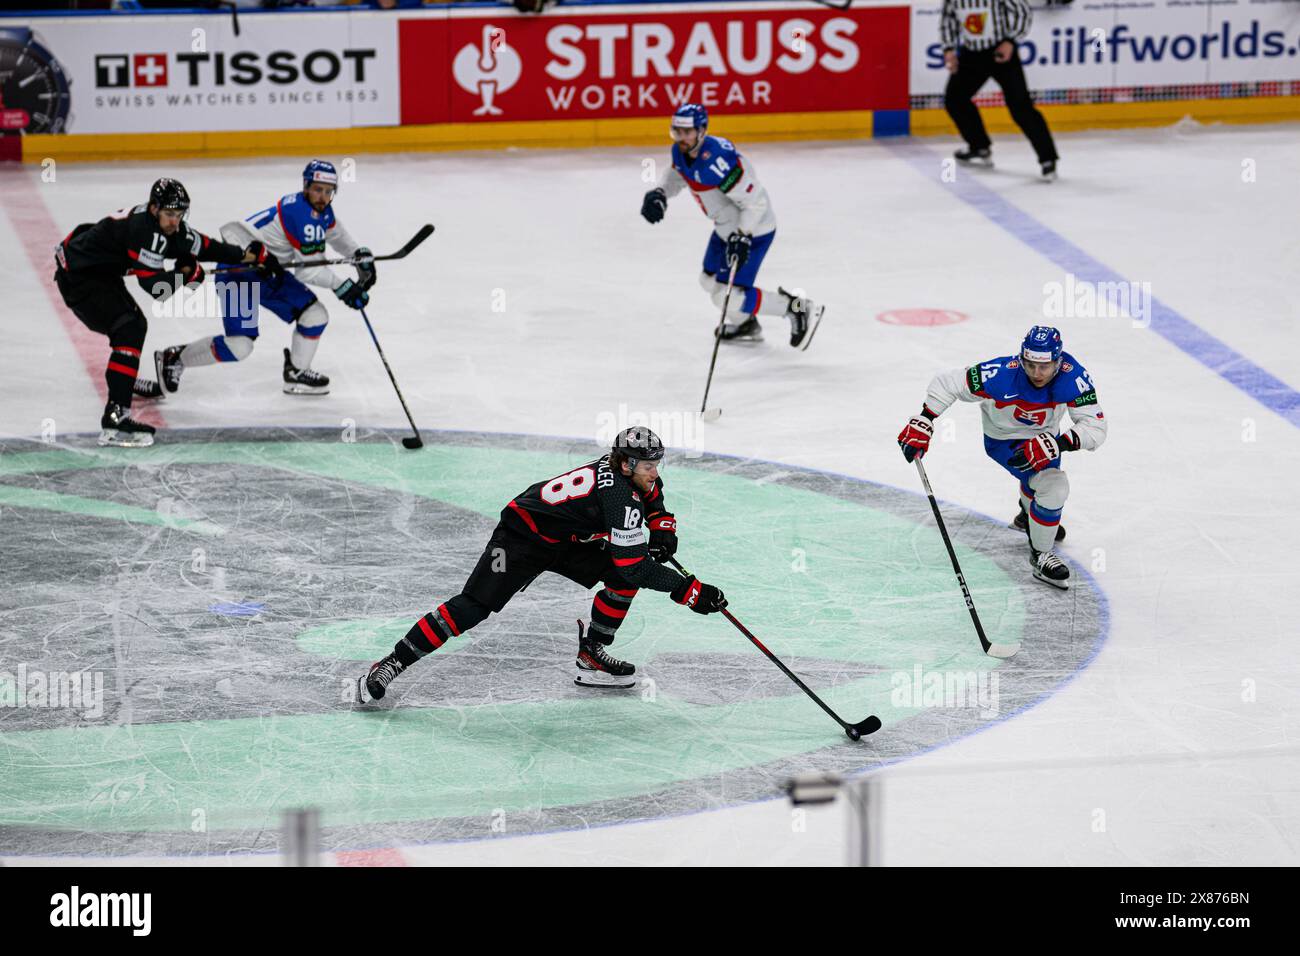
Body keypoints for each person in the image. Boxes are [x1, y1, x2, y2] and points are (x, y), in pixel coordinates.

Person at [357, 426, 728, 703]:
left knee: (620, 578)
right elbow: (635, 565)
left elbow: (652, 499)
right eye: (649, 464)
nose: (655, 471)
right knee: (473, 606)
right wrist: (689, 591)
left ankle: (591, 654)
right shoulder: (618, 494)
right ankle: (390, 663)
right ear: (627, 463)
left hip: (566, 540)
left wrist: (662, 525)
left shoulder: (632, 476)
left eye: (656, 463)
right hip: (520, 539)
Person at [53, 178, 278, 447]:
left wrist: (245, 256)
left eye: (180, 214)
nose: (175, 221)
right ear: (153, 209)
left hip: (97, 271)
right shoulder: (144, 232)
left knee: (130, 327)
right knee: (129, 327)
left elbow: (203, 247)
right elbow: (157, 289)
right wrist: (184, 276)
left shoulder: (167, 227)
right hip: (79, 279)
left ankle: (124, 386)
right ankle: (115, 418)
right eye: (170, 214)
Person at [896, 326, 1106, 589]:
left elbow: (1096, 429)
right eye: (1030, 365)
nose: (1037, 374)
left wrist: (1058, 443)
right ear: (1022, 358)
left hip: (1045, 439)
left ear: (1058, 361)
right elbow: (947, 382)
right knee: (1052, 485)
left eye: (1045, 367)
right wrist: (925, 418)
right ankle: (1041, 552)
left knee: (1050, 486)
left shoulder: (1073, 377)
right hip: (1003, 439)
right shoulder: (1001, 374)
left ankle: (1030, 517)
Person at [153, 160, 376, 398]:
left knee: (315, 315)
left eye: (328, 191)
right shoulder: (299, 213)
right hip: (237, 273)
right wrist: (342, 287)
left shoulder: (319, 211)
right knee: (240, 347)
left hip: (269, 271)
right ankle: (176, 357)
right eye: (317, 189)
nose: (322, 196)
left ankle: (297, 373)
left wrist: (356, 253)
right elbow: (307, 270)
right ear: (306, 186)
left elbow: (335, 232)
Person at [640, 103, 821, 347]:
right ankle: (746, 324)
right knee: (709, 280)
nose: (682, 138)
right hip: (726, 227)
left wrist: (743, 235)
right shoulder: (681, 152)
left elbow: (755, 202)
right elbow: (677, 173)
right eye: (677, 132)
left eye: (688, 132)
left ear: (702, 130)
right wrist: (661, 192)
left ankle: (798, 307)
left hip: (753, 230)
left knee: (730, 297)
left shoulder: (718, 162)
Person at [940, 0, 1059, 180]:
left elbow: (1023, 11)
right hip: (971, 55)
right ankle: (979, 147)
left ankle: (1048, 159)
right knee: (955, 99)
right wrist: (948, 49)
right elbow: (948, 18)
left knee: (1020, 107)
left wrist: (1010, 41)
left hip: (1000, 53)